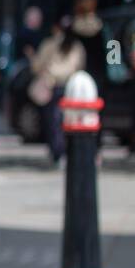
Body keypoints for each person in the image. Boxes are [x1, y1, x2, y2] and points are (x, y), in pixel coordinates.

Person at [29, 16, 86, 164]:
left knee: (54, 122)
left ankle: (58, 153)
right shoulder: (76, 45)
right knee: (70, 122)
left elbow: (37, 66)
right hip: (72, 86)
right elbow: (81, 65)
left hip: (53, 85)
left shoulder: (49, 44)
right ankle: (70, 152)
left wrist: (31, 57)